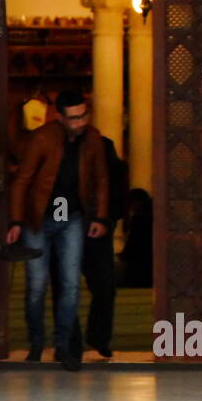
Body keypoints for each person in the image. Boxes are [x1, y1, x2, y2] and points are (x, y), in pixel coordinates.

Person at [6, 89, 109, 371]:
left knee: (71, 284)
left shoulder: (93, 139)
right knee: (37, 286)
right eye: (73, 119)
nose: (79, 123)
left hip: (71, 217)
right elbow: (22, 180)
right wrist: (16, 221)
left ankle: (63, 345)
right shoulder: (43, 138)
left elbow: (101, 178)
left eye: (83, 117)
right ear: (60, 118)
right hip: (39, 218)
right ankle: (37, 342)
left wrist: (100, 216)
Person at [82, 134, 126, 358]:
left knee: (104, 287)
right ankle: (70, 342)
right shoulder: (58, 146)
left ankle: (98, 338)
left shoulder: (103, 148)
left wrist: (107, 220)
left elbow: (115, 189)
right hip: (72, 226)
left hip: (98, 229)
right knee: (68, 287)